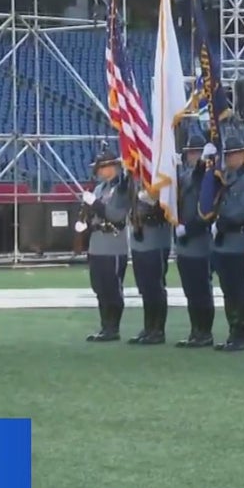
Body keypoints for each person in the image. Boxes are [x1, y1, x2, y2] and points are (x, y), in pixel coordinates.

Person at [211, 135, 244, 351]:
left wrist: (228, 219)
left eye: (234, 154)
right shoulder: (222, 178)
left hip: (239, 240)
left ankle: (243, 334)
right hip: (222, 242)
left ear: (243, 155)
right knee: (228, 291)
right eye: (228, 155)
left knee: (240, 289)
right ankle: (233, 331)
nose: (231, 158)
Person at [81, 148, 132, 342]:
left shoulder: (122, 188)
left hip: (113, 244)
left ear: (114, 167)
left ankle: (113, 327)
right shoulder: (100, 188)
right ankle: (105, 326)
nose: (99, 172)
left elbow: (116, 215)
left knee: (112, 288)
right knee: (99, 288)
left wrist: (96, 205)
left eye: (103, 167)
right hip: (97, 244)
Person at [173, 136, 216, 348]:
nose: (192, 156)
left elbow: (207, 210)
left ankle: (205, 332)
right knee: (190, 292)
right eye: (190, 152)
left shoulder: (206, 177)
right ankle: (195, 330)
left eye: (196, 152)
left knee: (202, 291)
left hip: (200, 242)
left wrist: (188, 228)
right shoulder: (185, 176)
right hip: (184, 246)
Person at [129, 173, 173, 346]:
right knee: (145, 286)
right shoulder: (137, 179)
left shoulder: (162, 175)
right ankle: (148, 327)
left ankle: (157, 330)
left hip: (155, 238)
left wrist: (145, 212)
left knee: (155, 285)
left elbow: (164, 208)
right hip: (140, 239)